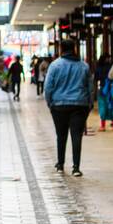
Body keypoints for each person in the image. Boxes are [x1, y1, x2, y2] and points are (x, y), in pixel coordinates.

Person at [43, 39, 92, 176]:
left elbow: (48, 87)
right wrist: (89, 104)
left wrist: (50, 102)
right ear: (75, 49)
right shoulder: (84, 66)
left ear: (61, 49)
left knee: (61, 135)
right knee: (77, 136)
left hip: (59, 106)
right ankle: (76, 167)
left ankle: (60, 164)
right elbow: (90, 88)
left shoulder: (54, 65)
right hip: (79, 105)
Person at [94, 51, 113, 131]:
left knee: (102, 106)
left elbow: (96, 78)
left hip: (102, 89)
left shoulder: (99, 67)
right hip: (112, 89)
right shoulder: (112, 66)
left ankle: (103, 126)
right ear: (107, 58)